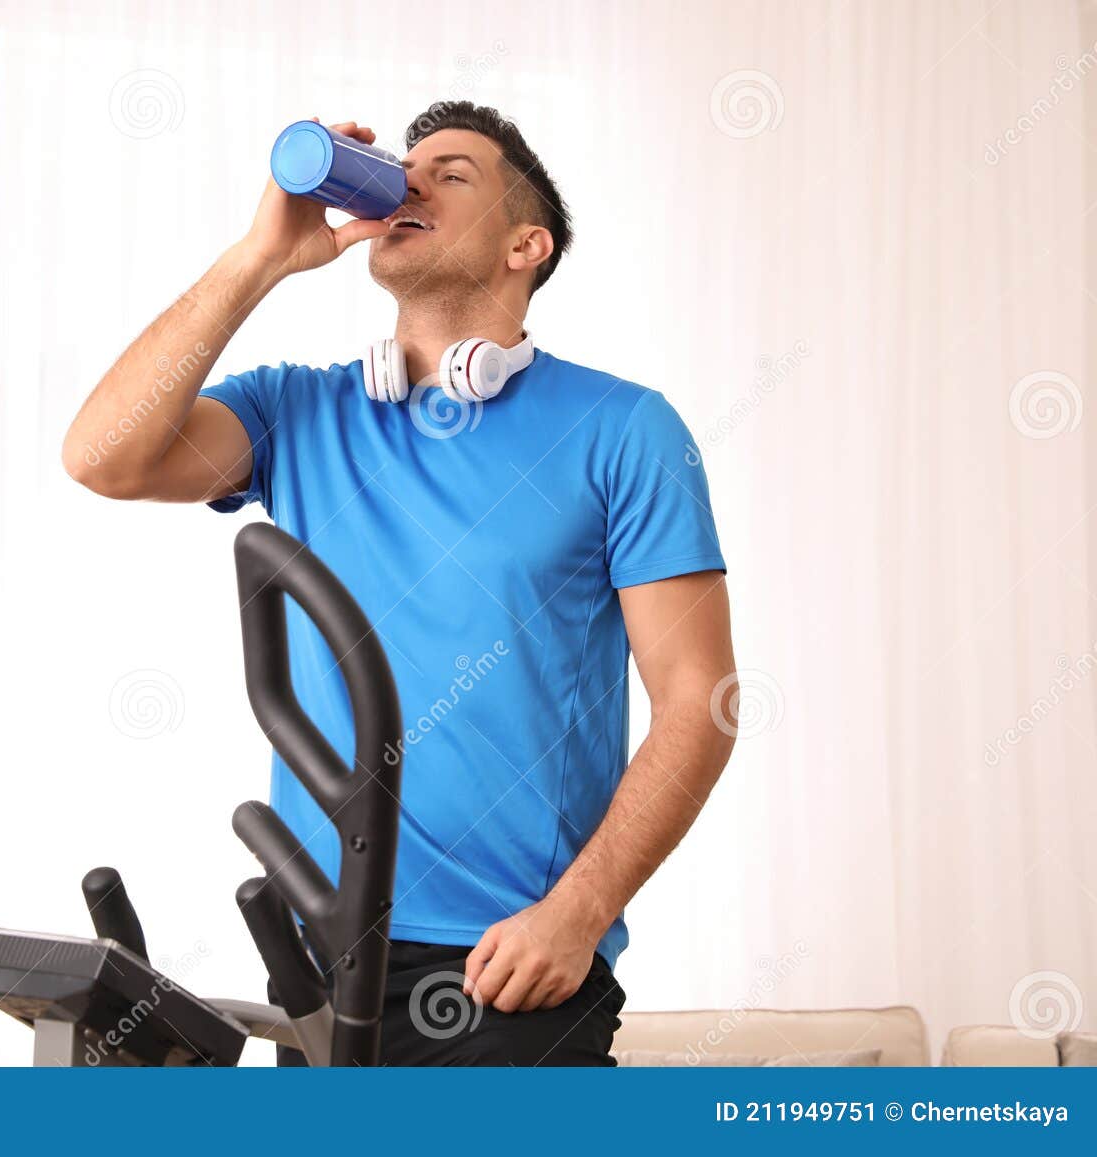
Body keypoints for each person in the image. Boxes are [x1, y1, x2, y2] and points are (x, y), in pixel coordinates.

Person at [63, 101, 737, 1065]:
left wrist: (578, 913)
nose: (411, 183)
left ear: (526, 245)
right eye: (406, 170)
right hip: (319, 958)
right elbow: (102, 457)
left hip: (510, 965)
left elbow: (699, 700)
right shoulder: (296, 410)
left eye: (452, 175)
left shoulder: (626, 430)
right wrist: (260, 257)